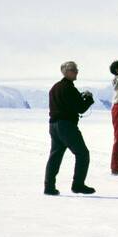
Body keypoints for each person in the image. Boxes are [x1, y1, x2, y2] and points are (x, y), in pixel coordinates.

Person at [45, 61, 95, 195]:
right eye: (74, 70)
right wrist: (89, 99)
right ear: (66, 72)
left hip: (54, 125)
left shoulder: (54, 88)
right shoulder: (69, 88)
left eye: (76, 69)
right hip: (66, 126)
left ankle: (49, 186)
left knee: (55, 156)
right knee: (83, 154)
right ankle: (78, 184)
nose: (76, 71)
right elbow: (80, 108)